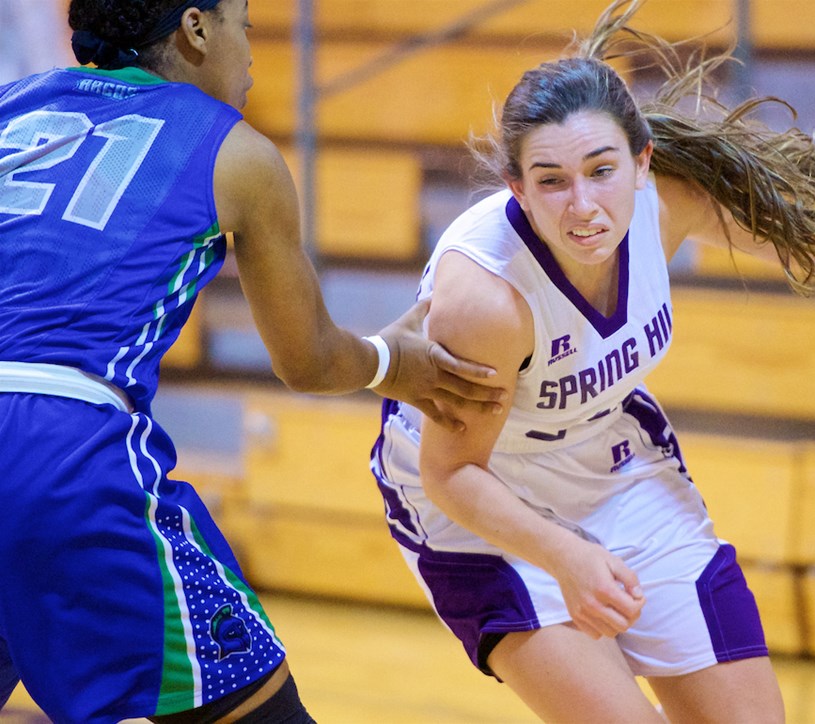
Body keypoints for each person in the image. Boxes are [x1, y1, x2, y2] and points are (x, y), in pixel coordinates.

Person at [370, 0, 815, 721]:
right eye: (550, 180)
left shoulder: (662, 204)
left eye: (601, 170)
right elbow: (452, 474)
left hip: (608, 463)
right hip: (476, 503)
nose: (583, 206)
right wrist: (566, 558)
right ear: (516, 187)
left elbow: (797, 244)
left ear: (641, 164)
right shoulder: (487, 300)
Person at [0, 1, 505, 722]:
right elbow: (310, 360)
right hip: (60, 452)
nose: (253, 49)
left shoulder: (12, 105)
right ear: (196, 29)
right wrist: (400, 364)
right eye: (244, 22)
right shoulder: (235, 153)